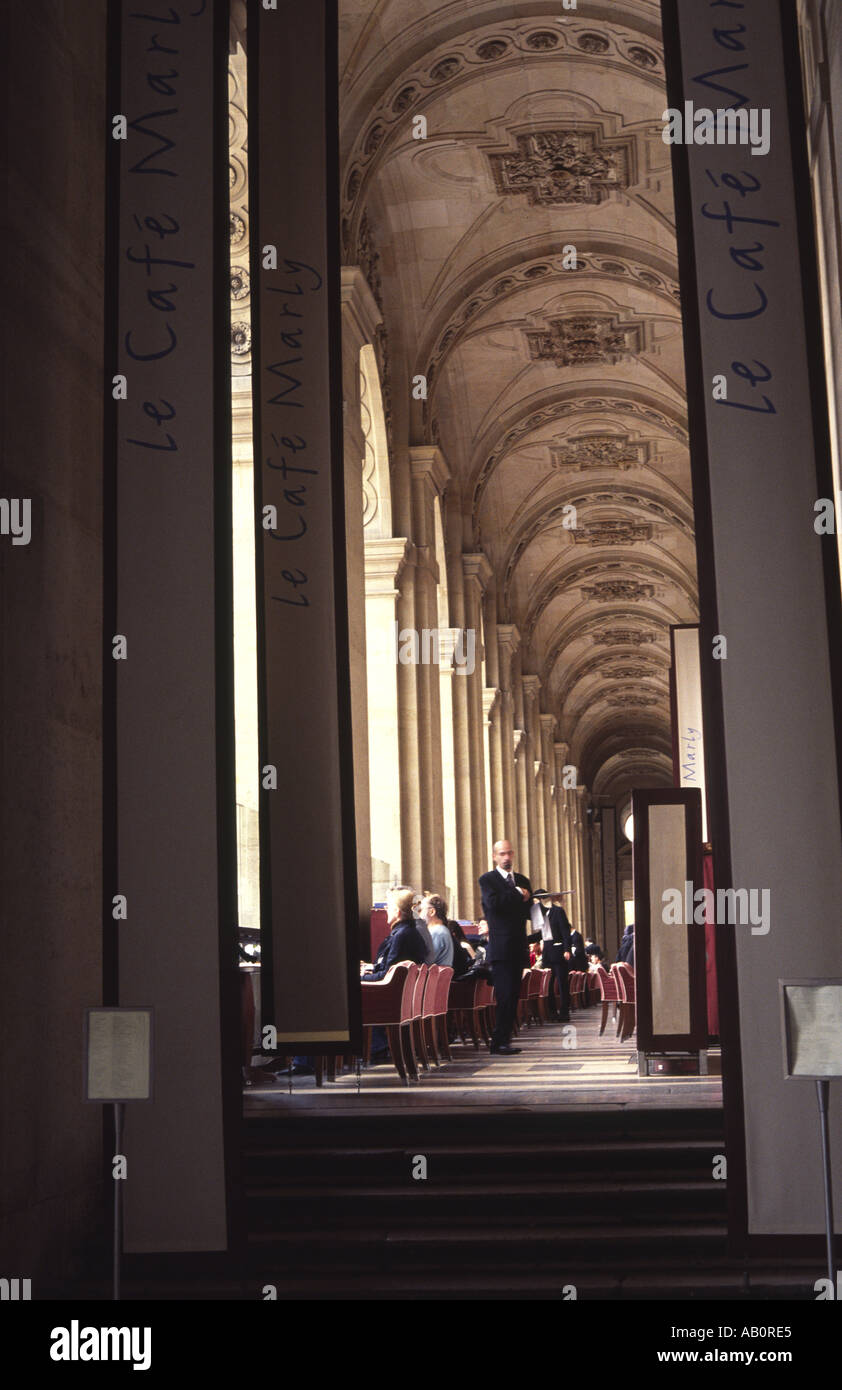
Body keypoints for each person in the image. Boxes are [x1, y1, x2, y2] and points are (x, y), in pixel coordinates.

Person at [478, 838, 532, 1055]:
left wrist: (532, 899)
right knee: (504, 995)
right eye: (502, 854)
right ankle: (497, 1042)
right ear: (494, 856)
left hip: (518, 945)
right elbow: (493, 904)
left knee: (514, 995)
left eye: (509, 853)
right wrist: (519, 894)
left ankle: (505, 1040)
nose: (506, 857)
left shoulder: (522, 879)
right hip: (500, 947)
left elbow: (527, 911)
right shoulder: (488, 880)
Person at [362, 889, 427, 981]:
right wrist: (372, 968)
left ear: (397, 911)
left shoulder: (401, 936)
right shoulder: (411, 932)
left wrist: (360, 978)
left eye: (388, 907)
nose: (386, 910)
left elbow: (386, 976)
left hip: (391, 993)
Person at [541, 893, 576, 1023]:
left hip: (559, 952)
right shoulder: (542, 916)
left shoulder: (558, 911)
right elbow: (541, 934)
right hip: (547, 955)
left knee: (562, 984)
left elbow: (565, 931)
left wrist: (567, 949)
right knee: (548, 985)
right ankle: (552, 1012)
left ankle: (564, 1012)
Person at [419, 893, 454, 967]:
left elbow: (425, 961)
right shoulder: (440, 930)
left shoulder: (437, 932)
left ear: (432, 912)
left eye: (421, 910)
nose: (419, 914)